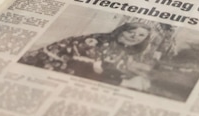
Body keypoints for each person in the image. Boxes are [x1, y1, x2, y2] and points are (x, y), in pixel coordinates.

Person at [18, 21, 159, 85]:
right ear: (122, 31)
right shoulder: (99, 41)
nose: (135, 37)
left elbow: (110, 67)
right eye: (131, 32)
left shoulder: (125, 50)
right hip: (48, 64)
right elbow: (83, 65)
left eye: (141, 36)